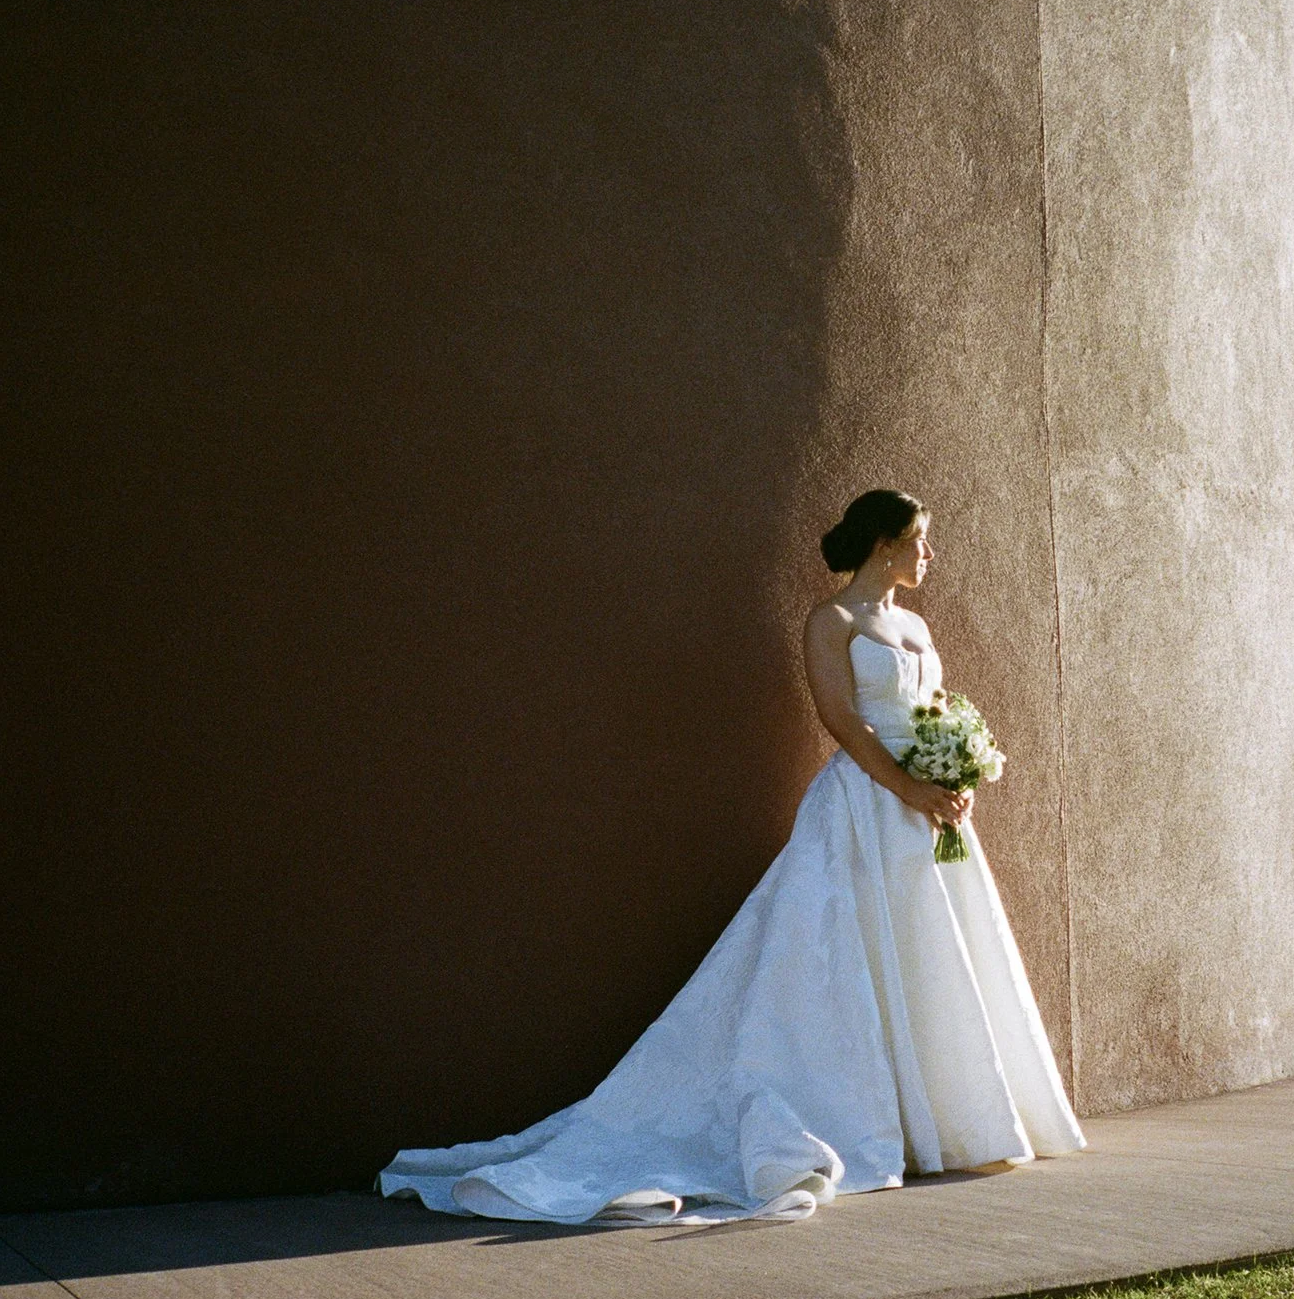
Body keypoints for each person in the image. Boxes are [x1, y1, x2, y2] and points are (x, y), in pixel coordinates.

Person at [378, 490, 1085, 1223]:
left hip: (925, 816)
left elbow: (933, 713)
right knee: (850, 961)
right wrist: (911, 785)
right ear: (883, 543)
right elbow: (843, 721)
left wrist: (955, 780)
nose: (928, 554)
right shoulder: (832, 621)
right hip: (868, 807)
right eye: (920, 540)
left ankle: (946, 1121)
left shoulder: (914, 623)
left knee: (934, 960)